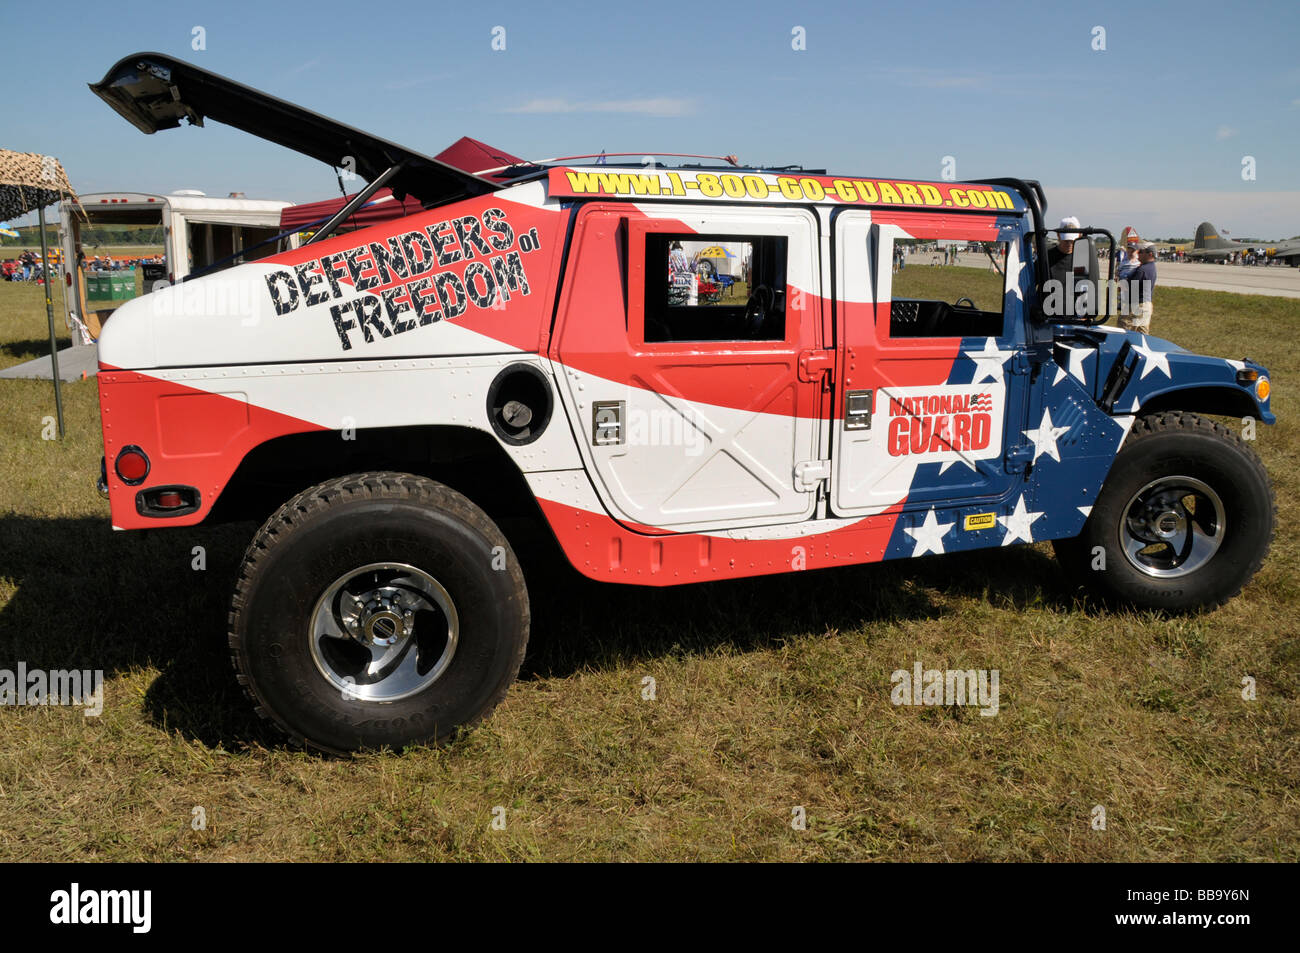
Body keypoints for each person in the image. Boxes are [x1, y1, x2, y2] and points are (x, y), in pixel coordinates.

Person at [1121, 243, 1157, 333]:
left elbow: (1130, 286)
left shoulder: (1142, 270)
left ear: (1150, 254)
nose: (1138, 253)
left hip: (1136, 305)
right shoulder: (1151, 267)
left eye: (1141, 252)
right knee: (1142, 335)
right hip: (1146, 305)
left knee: (1124, 330)